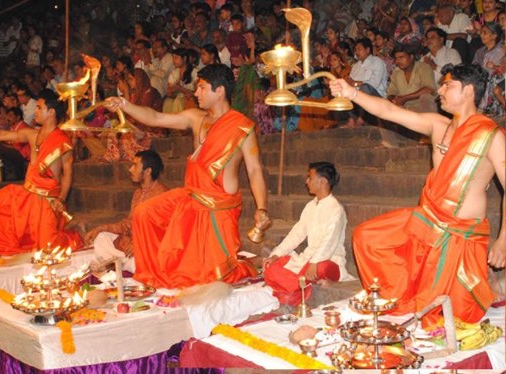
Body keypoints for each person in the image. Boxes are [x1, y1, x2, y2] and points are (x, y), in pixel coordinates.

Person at [330, 64, 505, 324]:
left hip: (461, 235)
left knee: (452, 316)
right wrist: (352, 93)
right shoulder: (438, 125)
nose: (440, 90)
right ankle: (398, 295)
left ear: (468, 91)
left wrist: (503, 240)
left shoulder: (491, 135)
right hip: (428, 221)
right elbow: (390, 111)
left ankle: (477, 289)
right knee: (367, 237)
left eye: (448, 85)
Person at [104, 64, 267, 289]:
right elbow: (155, 118)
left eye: (202, 88)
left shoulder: (242, 127)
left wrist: (262, 208)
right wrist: (125, 104)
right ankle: (155, 273)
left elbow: (255, 170)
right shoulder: (195, 117)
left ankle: (244, 265)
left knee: (210, 277)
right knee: (144, 213)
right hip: (191, 197)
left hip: (217, 207)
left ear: (219, 91)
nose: (196, 93)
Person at [0, 89, 79, 255]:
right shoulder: (32, 134)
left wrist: (61, 199)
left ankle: (74, 238)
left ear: (51, 112)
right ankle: (10, 249)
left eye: (39, 108)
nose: (36, 111)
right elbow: (0, 134)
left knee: (49, 247)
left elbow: (68, 173)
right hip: (26, 194)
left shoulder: (62, 140)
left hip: (47, 201)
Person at [263, 162, 353, 306]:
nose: (307, 181)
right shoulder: (310, 206)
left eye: (310, 178)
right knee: (270, 265)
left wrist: (314, 262)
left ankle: (292, 286)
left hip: (327, 261)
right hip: (307, 261)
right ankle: (297, 284)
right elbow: (296, 234)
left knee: (320, 268)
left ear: (322, 181)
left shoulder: (336, 210)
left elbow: (329, 242)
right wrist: (276, 254)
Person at [85, 150, 169, 273]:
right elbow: (129, 223)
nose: (130, 169)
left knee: (140, 262)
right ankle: (121, 264)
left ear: (147, 171)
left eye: (135, 165)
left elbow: (165, 232)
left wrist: (139, 244)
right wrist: (101, 228)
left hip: (148, 248)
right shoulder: (138, 193)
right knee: (101, 238)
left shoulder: (163, 195)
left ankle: (121, 265)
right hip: (128, 245)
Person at [386, 44, 437, 113]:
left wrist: (405, 98)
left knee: (426, 98)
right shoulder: (396, 72)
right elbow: (391, 93)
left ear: (411, 57)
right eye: (396, 58)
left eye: (401, 57)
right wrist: (394, 100)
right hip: (403, 108)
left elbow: (429, 90)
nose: (397, 61)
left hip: (421, 107)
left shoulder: (424, 68)